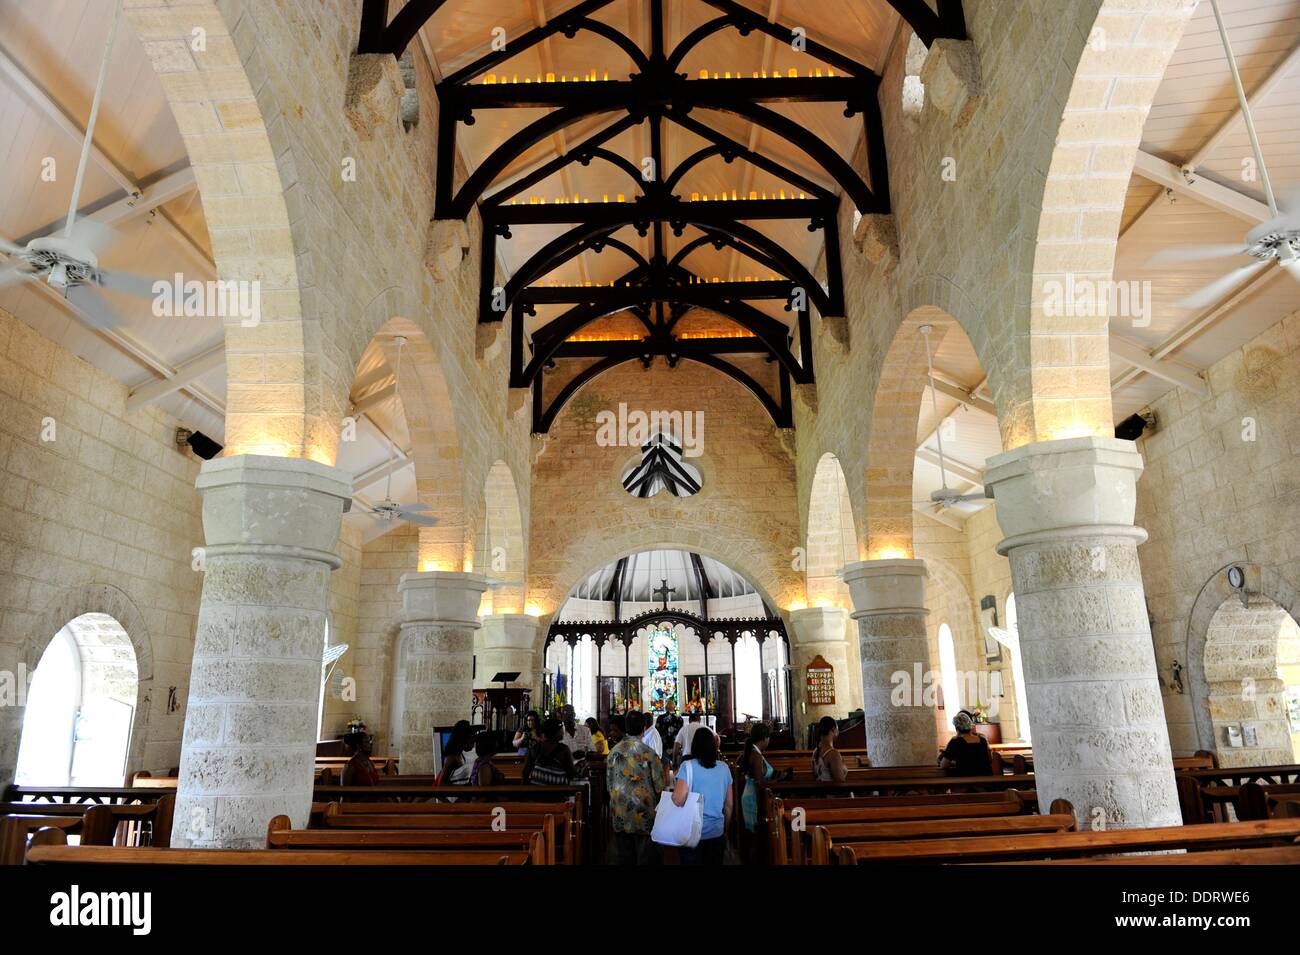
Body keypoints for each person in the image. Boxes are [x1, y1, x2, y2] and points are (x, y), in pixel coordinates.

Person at [605, 710, 665, 864]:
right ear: (644, 728)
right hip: (644, 812)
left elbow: (609, 784)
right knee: (646, 857)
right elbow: (659, 786)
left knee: (625, 857)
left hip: (620, 811)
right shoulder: (650, 754)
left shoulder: (613, 752)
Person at [670, 727, 733, 865]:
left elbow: (678, 799)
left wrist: (673, 795)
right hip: (716, 832)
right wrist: (725, 830)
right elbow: (729, 805)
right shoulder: (724, 768)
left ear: (694, 745)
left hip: (692, 834)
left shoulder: (687, 766)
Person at [738, 722, 777, 860]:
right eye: (769, 737)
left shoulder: (754, 752)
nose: (769, 740)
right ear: (764, 738)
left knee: (752, 833)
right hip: (754, 797)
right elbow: (760, 782)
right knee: (755, 834)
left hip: (749, 793)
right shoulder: (756, 754)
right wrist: (775, 783)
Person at [940, 710, 993, 776]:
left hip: (967, 780)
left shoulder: (955, 742)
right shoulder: (982, 740)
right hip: (986, 778)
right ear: (970, 726)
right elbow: (990, 759)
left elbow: (944, 765)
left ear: (957, 728)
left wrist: (956, 762)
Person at [524, 718, 577, 784]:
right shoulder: (563, 749)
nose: (563, 731)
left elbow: (525, 772)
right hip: (558, 792)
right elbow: (572, 773)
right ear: (556, 732)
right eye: (561, 729)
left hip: (537, 790)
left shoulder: (535, 747)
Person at [438, 719, 475, 785]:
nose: (472, 745)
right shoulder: (451, 758)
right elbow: (441, 784)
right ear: (464, 740)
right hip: (454, 794)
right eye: (471, 742)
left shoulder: (461, 754)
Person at [812, 715, 849, 782]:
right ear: (833, 729)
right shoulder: (833, 754)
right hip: (832, 791)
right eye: (837, 729)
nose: (838, 732)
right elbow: (840, 781)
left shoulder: (816, 751)